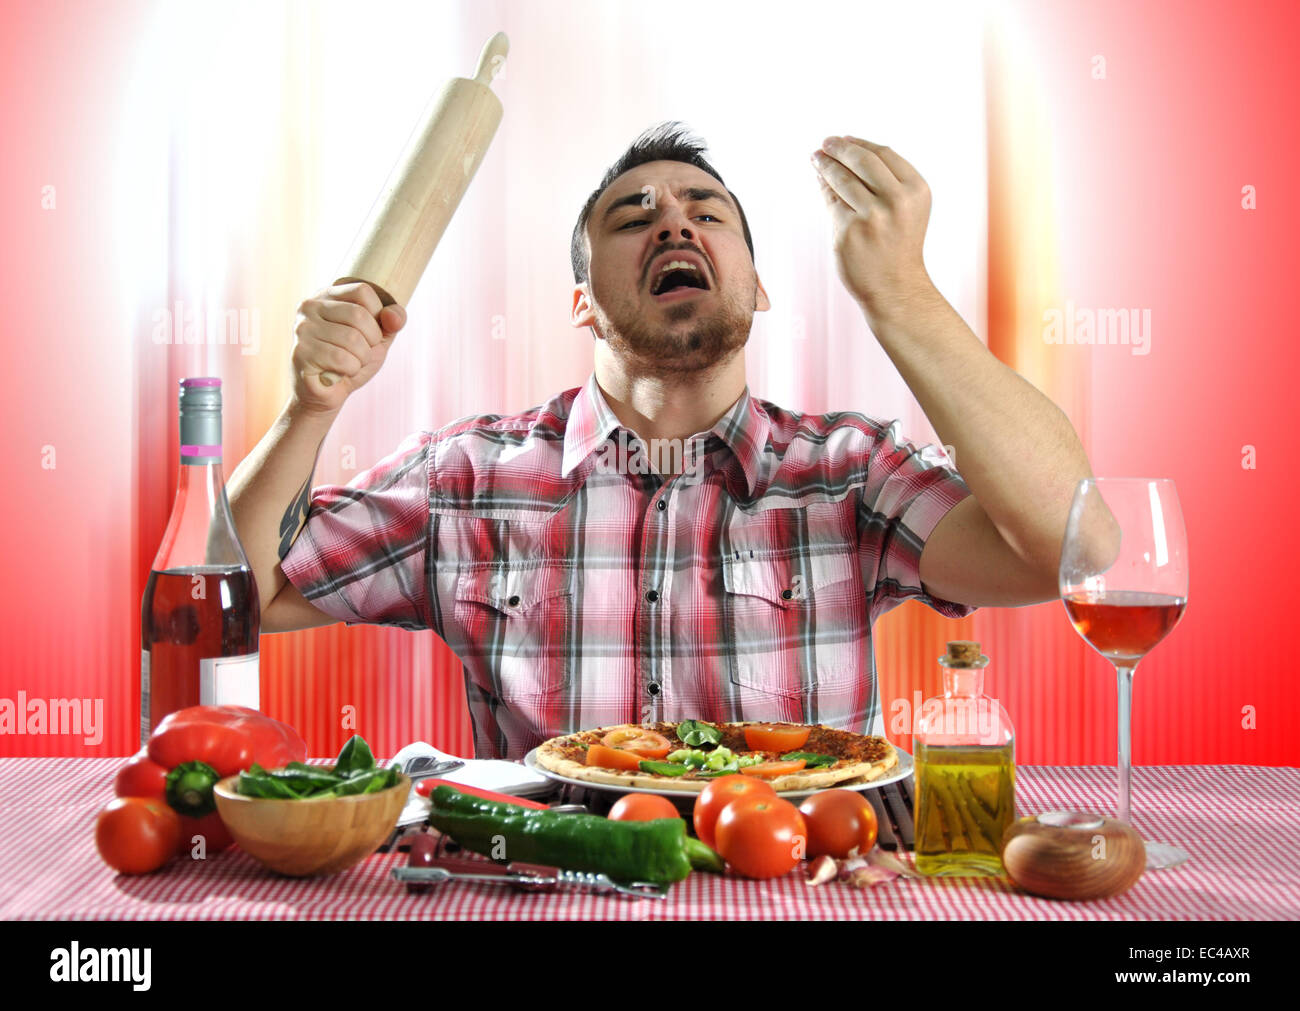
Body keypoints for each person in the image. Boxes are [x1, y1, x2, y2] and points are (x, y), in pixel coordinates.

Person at [228, 122, 1096, 760]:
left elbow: (1077, 549)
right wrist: (312, 404)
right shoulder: (468, 477)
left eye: (705, 212)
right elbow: (225, 597)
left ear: (756, 287)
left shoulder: (850, 473)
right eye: (633, 216)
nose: (674, 224)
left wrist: (901, 295)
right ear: (583, 304)